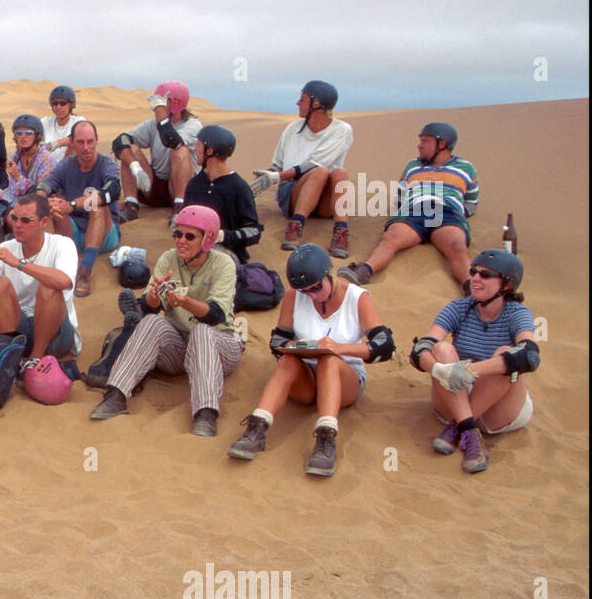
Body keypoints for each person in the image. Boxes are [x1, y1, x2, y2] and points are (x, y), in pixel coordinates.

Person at [226, 244, 394, 476]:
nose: (312, 295)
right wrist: (292, 347)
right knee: (287, 361)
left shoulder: (356, 297)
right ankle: (257, 427)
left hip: (345, 378)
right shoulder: (295, 296)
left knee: (329, 360)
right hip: (306, 378)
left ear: (329, 274)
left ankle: (326, 438)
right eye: (305, 291)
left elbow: (384, 347)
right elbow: (277, 341)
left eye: (316, 288)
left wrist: (337, 348)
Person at [90, 206, 243, 436]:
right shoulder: (168, 258)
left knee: (202, 332)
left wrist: (184, 302)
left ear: (208, 238)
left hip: (220, 343)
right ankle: (116, 395)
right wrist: (152, 296)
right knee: (151, 322)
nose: (181, 240)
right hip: (180, 345)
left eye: (189, 236)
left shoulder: (224, 264)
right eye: (177, 234)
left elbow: (215, 315)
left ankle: (206, 413)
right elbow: (151, 309)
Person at [409, 250, 538, 474]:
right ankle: (468, 429)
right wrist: (440, 369)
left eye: (485, 275)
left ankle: (459, 427)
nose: (475, 279)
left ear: (507, 285)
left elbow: (529, 355)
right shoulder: (458, 307)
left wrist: (469, 371)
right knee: (441, 349)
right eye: (473, 272)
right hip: (458, 394)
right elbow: (420, 350)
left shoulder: (518, 313)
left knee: (508, 353)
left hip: (499, 407)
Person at [338, 122, 479, 290]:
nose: (419, 146)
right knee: (390, 238)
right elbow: (401, 197)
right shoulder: (412, 166)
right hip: (415, 211)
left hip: (446, 212)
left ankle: (472, 287)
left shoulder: (466, 167)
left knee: (457, 246)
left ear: (442, 144)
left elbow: (471, 202)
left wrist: (457, 215)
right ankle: (365, 270)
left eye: (425, 141)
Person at [0, 192, 82, 364]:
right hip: (21, 328)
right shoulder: (5, 248)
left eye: (25, 220)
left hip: (57, 336)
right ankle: (10, 355)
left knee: (50, 286)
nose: (17, 225)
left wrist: (19, 263)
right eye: (15, 218)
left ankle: (34, 359)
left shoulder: (62, 244)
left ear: (43, 222)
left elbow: (64, 281)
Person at [248, 80, 354, 257]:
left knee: (339, 173)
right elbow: (277, 164)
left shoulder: (342, 130)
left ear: (317, 104)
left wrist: (276, 177)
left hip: (324, 199)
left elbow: (313, 164)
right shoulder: (293, 128)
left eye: (303, 99)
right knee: (320, 172)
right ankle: (295, 227)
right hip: (293, 193)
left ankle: (341, 233)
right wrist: (267, 177)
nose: (298, 103)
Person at [36, 120, 122, 298]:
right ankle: (51, 267)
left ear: (97, 140)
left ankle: (84, 270)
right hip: (73, 233)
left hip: (105, 235)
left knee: (97, 205)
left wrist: (72, 205)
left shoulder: (107, 165)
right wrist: (43, 199)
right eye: (81, 142)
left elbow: (111, 192)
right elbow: (46, 184)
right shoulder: (67, 165)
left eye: (90, 141)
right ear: (73, 142)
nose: (86, 147)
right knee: (53, 208)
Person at [113, 80, 202, 223]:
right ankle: (131, 205)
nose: (155, 107)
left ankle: (181, 206)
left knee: (180, 150)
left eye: (160, 101)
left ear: (174, 103)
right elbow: (120, 140)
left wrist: (161, 113)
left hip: (180, 187)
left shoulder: (193, 125)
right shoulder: (152, 124)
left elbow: (171, 140)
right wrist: (135, 167)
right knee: (130, 149)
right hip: (154, 187)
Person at [181, 125, 262, 264]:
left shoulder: (239, 188)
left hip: (227, 256)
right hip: (193, 252)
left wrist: (223, 236)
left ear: (210, 151)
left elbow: (254, 232)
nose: (195, 149)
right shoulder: (194, 185)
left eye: (199, 145)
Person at [41, 84, 84, 165]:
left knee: (73, 144)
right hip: (47, 170)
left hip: (70, 170)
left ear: (70, 105)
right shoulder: (46, 122)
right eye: (55, 103)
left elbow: (79, 136)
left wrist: (54, 144)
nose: (58, 107)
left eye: (63, 103)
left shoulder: (78, 121)